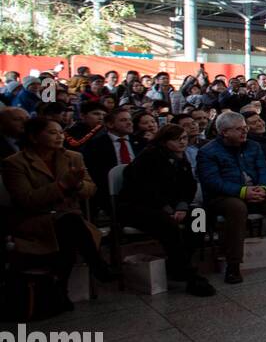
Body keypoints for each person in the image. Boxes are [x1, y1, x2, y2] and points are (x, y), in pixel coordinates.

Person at [2, 116, 116, 312]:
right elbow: (26, 200)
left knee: (68, 226)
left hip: (68, 218)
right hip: (34, 219)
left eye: (61, 133)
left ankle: (61, 289)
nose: (59, 137)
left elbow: (91, 189)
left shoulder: (73, 157)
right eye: (52, 133)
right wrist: (62, 186)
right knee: (70, 224)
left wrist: (78, 185)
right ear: (34, 137)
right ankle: (96, 264)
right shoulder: (15, 163)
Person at [195, 110, 266, 283]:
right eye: (238, 129)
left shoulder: (253, 146)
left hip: (255, 192)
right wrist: (242, 192)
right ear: (224, 132)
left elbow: (264, 170)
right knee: (237, 208)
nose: (244, 132)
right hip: (224, 197)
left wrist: (264, 188)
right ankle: (233, 265)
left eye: (245, 128)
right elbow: (212, 181)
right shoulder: (208, 152)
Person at [119, 125, 213, 295]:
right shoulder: (148, 157)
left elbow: (188, 185)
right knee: (169, 226)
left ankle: (179, 263)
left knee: (199, 216)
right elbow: (146, 189)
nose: (182, 142)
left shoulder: (181, 158)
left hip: (174, 206)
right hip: (140, 206)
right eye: (177, 139)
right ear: (164, 141)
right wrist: (168, 209)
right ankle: (187, 272)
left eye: (184, 138)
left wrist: (183, 206)